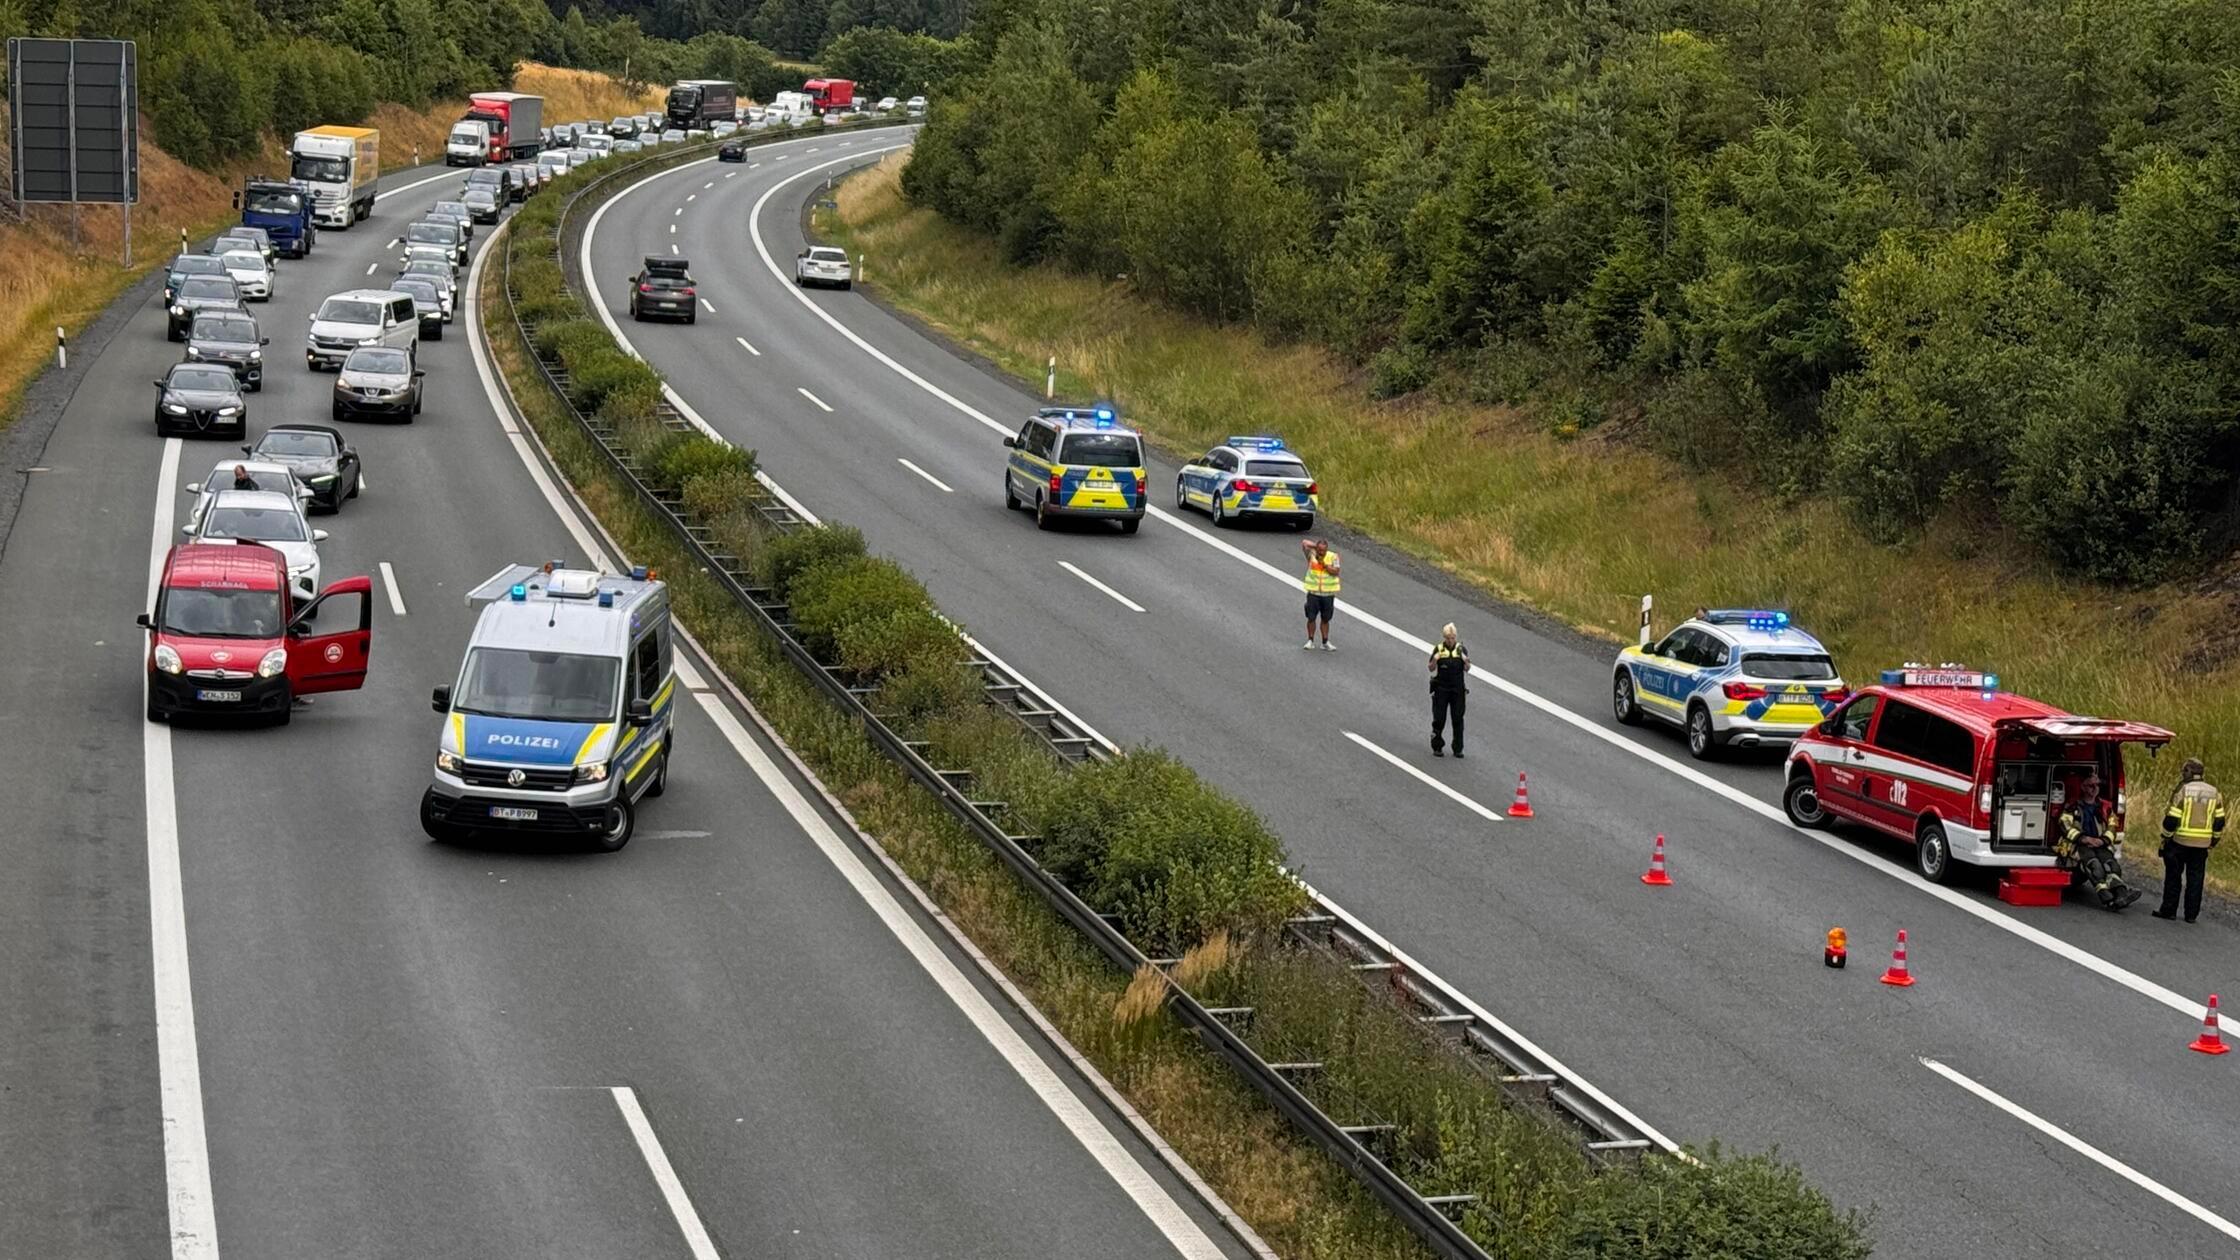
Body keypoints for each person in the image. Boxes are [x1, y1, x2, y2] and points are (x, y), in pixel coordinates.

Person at [2154, 758, 2225, 923]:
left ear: (2189, 772)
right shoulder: (2214, 792)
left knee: (2173, 876)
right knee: (2196, 879)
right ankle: (2191, 915)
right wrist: (2214, 841)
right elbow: (2219, 821)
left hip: (2180, 841)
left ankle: (2169, 910)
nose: (2181, 774)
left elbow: (2172, 818)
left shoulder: (2184, 791)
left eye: (2183, 771)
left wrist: (2165, 837)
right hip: (2202, 845)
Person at [2057, 772, 2141, 911]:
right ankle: (2107, 898)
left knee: (2111, 866)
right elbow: (2064, 823)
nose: (2094, 788)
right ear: (2083, 787)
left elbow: (2113, 826)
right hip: (2079, 845)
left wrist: (2103, 840)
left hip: (2100, 844)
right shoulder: (2072, 806)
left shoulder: (2106, 806)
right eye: (2091, 785)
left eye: (2097, 785)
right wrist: (2083, 838)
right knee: (2094, 866)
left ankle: (2122, 893)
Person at [1429, 623, 1469, 758]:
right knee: (1439, 719)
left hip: (1457, 690)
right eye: (1448, 638)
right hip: (1442, 689)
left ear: (1455, 637)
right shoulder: (1439, 649)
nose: (1450, 640)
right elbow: (1430, 668)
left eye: (1452, 638)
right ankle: (1437, 746)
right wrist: (1435, 660)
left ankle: (1458, 748)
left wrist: (1466, 660)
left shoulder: (1461, 649)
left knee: (1458, 719)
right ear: (1444, 637)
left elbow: (1467, 669)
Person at [1300, 537, 1340, 651]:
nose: (1321, 552)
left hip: (1328, 594)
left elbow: (1336, 571)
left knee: (1326, 619)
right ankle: (1310, 640)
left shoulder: (1333, 556)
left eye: (1324, 550)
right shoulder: (1312, 555)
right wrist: (1315, 548)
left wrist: (1326, 566)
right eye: (1320, 550)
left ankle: (1325, 642)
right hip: (1314, 592)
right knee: (1311, 617)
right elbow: (1304, 543)